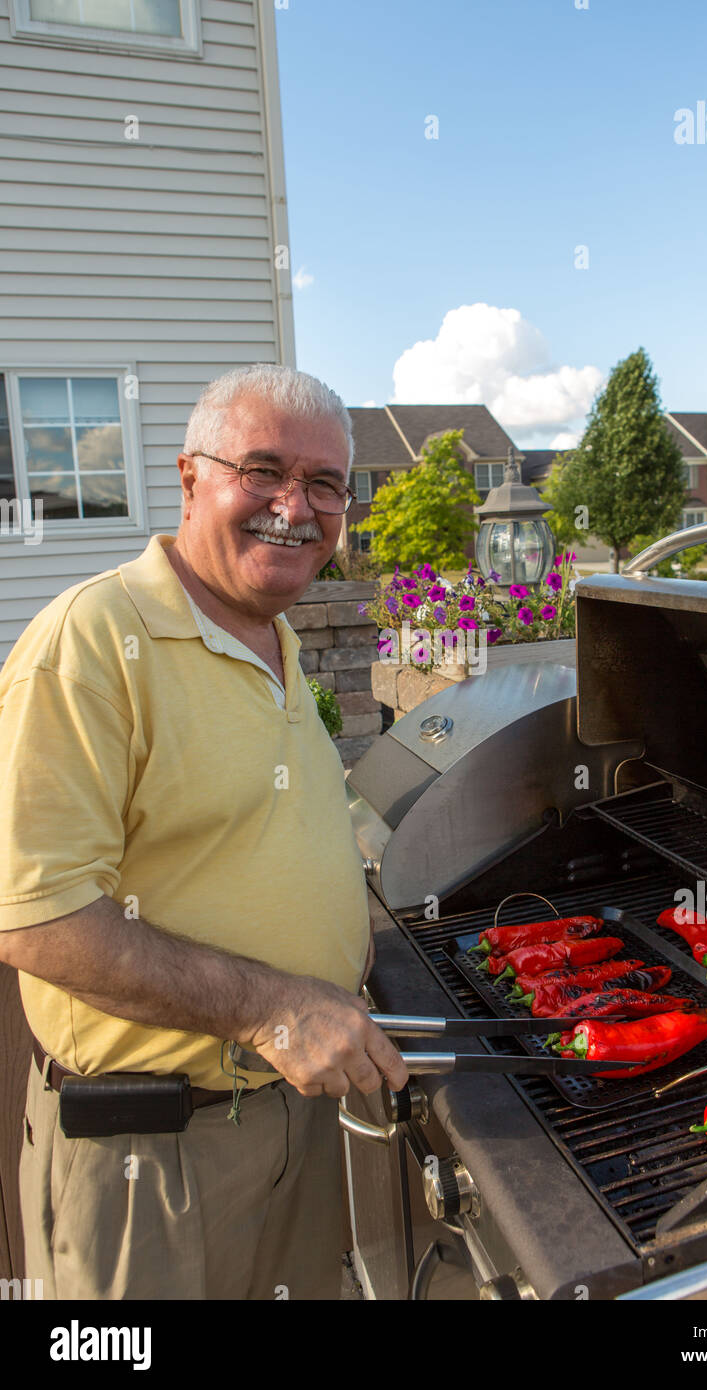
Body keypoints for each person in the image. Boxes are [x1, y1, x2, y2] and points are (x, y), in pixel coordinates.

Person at [0, 364, 408, 1300]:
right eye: (262, 471)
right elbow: (35, 918)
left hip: (296, 1117)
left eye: (326, 484)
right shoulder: (92, 641)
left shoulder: (275, 639)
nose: (294, 508)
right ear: (190, 478)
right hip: (153, 1159)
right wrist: (276, 1008)